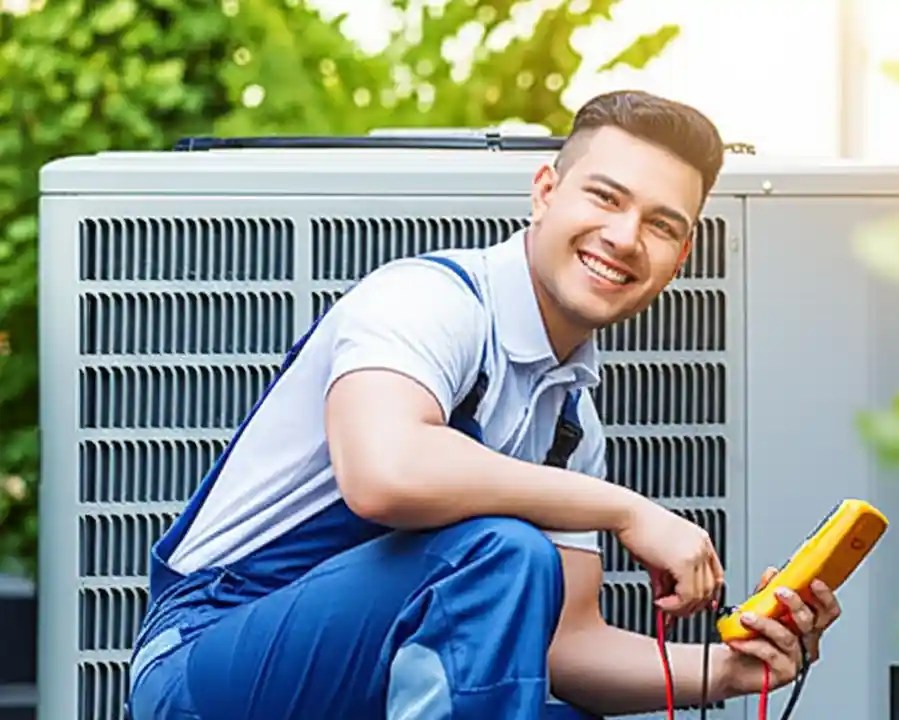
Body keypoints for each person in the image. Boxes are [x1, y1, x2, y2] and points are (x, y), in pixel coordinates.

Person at [126, 89, 843, 719]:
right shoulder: (428, 299)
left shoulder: (570, 423)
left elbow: (565, 644)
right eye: (604, 196)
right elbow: (385, 472)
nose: (624, 237)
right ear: (544, 192)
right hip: (202, 664)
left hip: (352, 683)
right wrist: (627, 508)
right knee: (504, 552)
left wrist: (733, 671)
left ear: (680, 256)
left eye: (660, 224)